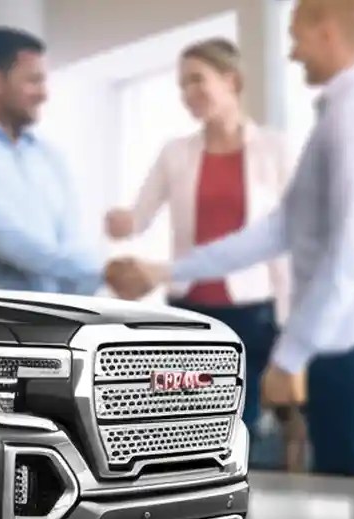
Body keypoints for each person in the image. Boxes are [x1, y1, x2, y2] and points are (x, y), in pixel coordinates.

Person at [109, 0, 354, 477]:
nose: (293, 53)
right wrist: (164, 268)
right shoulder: (338, 116)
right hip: (198, 315)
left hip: (327, 333)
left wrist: (291, 349)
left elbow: (351, 252)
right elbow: (279, 230)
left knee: (352, 485)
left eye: (297, 36)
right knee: (190, 438)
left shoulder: (346, 120)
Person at [104, 38, 294, 433]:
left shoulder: (274, 149)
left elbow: (288, 238)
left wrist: (290, 319)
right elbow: (139, 218)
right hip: (189, 308)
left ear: (231, 80)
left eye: (196, 80)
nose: (188, 94)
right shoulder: (175, 152)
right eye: (181, 86)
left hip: (253, 311)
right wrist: (122, 221)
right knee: (185, 422)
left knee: (242, 423)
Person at [0, 27, 104, 295]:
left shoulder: (50, 157)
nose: (43, 94)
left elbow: (71, 241)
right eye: (33, 81)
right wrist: (106, 270)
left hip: (61, 321)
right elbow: (11, 244)